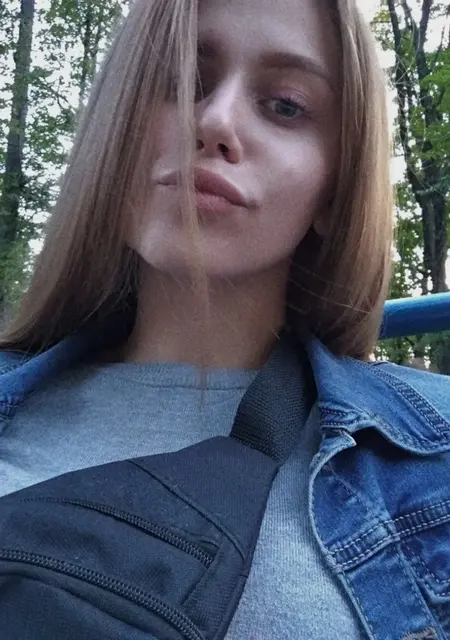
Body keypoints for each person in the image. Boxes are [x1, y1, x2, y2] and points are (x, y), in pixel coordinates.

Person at [0, 0, 449, 638]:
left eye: (286, 105)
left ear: (334, 190)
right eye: (181, 82)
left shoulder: (434, 451)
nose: (214, 122)